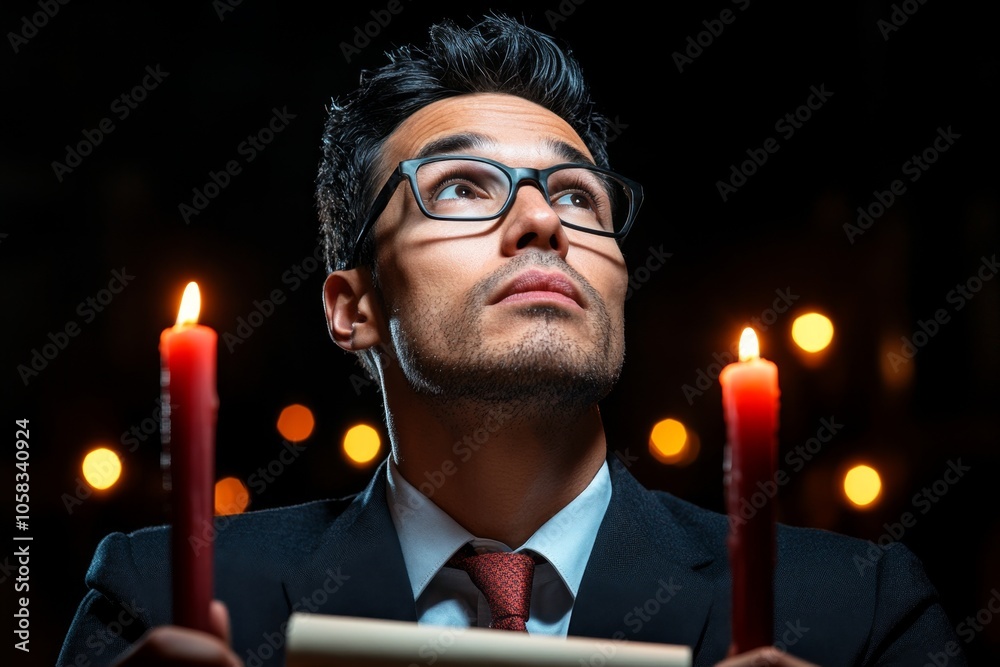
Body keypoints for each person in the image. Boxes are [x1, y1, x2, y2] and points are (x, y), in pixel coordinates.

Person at [58, 14, 965, 667]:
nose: (542, 220)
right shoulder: (157, 598)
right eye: (461, 185)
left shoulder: (858, 612)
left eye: (577, 195)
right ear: (352, 307)